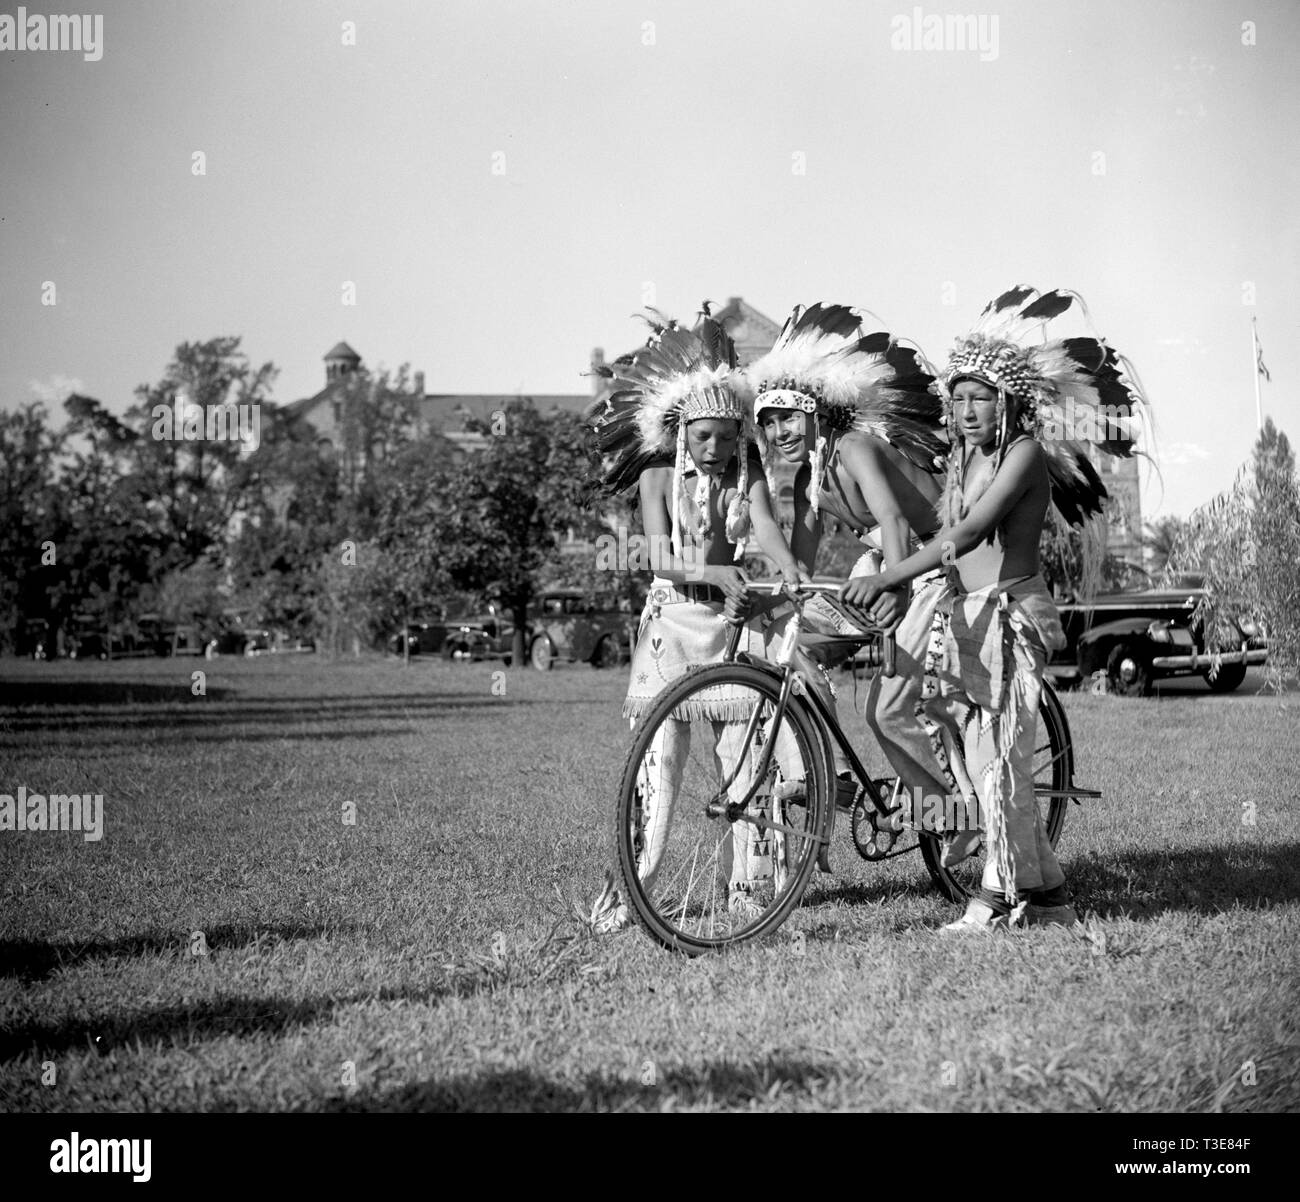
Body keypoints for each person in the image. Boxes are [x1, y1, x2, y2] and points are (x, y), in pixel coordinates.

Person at [841, 286, 1148, 931]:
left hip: (1011, 615)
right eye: (957, 398)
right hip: (967, 616)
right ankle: (1054, 899)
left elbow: (968, 534)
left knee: (1003, 760)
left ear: (1008, 401)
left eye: (980, 397)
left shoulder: (1023, 454)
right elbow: (945, 534)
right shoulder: (963, 458)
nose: (965, 410)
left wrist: (894, 575)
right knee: (987, 769)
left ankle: (997, 898)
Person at [584, 307, 809, 933]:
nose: (716, 449)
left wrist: (787, 565)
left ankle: (752, 891)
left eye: (727, 435)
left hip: (729, 623)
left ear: (741, 433)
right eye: (703, 436)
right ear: (681, 431)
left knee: (743, 763)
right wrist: (709, 574)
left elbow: (765, 524)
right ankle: (630, 894)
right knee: (658, 771)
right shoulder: (656, 477)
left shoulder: (747, 471)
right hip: (672, 627)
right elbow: (658, 557)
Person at [739, 303, 948, 836]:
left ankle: (946, 811)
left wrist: (895, 590)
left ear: (814, 413)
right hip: (886, 566)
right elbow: (801, 568)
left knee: (889, 704)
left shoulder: (852, 447)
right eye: (768, 422)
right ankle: (829, 772)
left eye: (788, 417)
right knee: (796, 642)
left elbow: (895, 520)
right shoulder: (808, 476)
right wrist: (770, 600)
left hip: (934, 560)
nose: (779, 431)